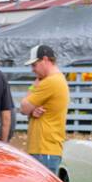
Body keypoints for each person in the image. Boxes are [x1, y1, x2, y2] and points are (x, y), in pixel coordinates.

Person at [19, 44, 69, 172]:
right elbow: (28, 109)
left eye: (34, 65)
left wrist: (34, 85)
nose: (32, 69)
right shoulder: (57, 80)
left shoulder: (50, 82)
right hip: (46, 150)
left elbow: (24, 108)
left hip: (44, 150)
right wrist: (32, 112)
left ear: (45, 60)